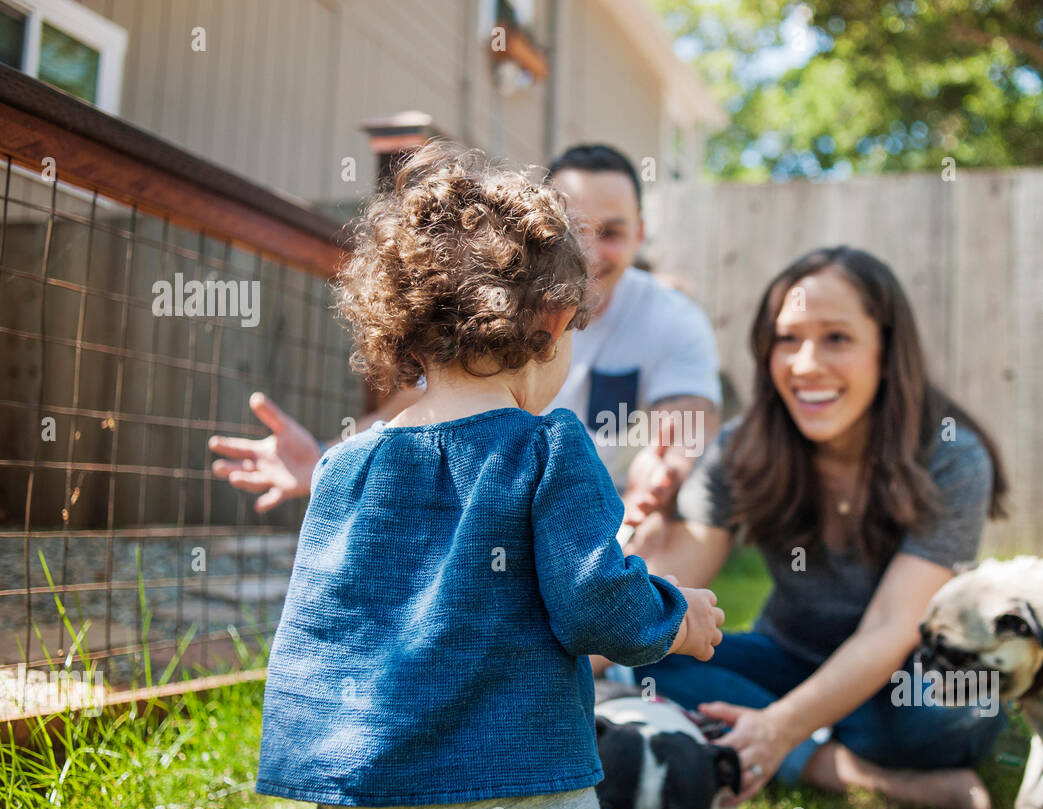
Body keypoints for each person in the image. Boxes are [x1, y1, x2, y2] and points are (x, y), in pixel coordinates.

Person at [254, 143, 725, 809]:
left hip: (359, 797)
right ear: (556, 321)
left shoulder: (346, 463)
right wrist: (677, 617)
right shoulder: (547, 448)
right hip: (522, 797)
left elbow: (318, 630)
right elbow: (596, 602)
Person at [613, 246, 1010, 809]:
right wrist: (645, 526)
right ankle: (858, 773)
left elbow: (891, 627)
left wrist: (779, 724)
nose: (804, 364)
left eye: (836, 338)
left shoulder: (952, 457)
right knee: (652, 657)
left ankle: (789, 740)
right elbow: (668, 591)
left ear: (887, 348)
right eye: (787, 339)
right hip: (790, 657)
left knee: (958, 711)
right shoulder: (739, 449)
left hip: (903, 673)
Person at [207, 144, 720, 527]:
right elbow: (420, 408)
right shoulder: (501, 302)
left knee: (669, 528)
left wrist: (663, 471)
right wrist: (328, 454)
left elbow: (685, 422)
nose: (589, 252)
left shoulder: (672, 320)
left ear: (641, 234)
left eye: (610, 233)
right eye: (575, 229)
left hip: (618, 511)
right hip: (495, 505)